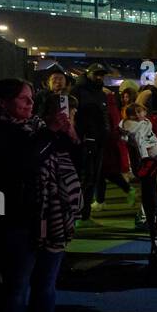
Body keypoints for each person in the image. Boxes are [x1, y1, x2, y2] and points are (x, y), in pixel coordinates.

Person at [0, 79, 81, 312]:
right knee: (16, 287)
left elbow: (72, 163)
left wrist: (71, 136)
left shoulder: (38, 129)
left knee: (46, 285)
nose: (30, 103)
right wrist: (50, 133)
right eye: (23, 99)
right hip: (17, 219)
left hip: (52, 218)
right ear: (2, 101)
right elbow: (21, 165)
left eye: (31, 98)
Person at [71, 64, 111, 219]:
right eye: (97, 74)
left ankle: (84, 210)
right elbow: (73, 116)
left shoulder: (100, 93)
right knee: (84, 176)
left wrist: (105, 132)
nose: (100, 77)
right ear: (88, 74)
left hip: (98, 141)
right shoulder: (78, 91)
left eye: (102, 75)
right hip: (84, 141)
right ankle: (78, 210)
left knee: (92, 177)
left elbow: (104, 115)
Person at [122, 103, 157, 229]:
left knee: (151, 189)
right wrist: (146, 158)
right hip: (148, 160)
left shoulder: (142, 124)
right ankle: (144, 217)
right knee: (150, 190)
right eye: (137, 113)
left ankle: (145, 216)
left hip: (150, 158)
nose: (141, 114)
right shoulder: (135, 128)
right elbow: (141, 144)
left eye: (142, 111)